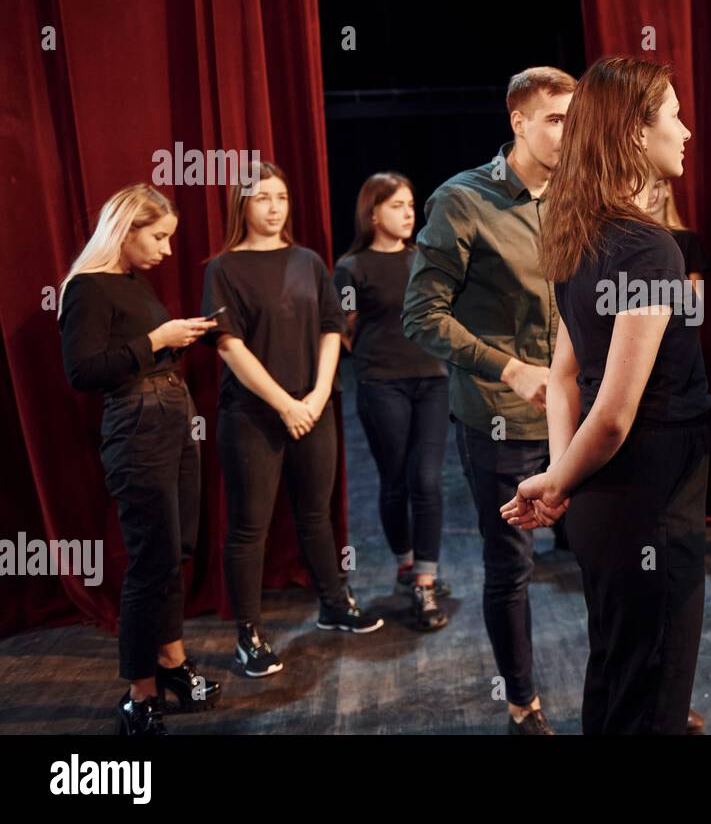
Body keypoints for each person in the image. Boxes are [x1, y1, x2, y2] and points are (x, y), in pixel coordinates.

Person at [502, 55, 711, 735]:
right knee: (650, 697)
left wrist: (564, 482)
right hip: (648, 505)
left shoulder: (577, 234)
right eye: (673, 115)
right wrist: (556, 478)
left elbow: (565, 379)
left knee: (618, 679)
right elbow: (616, 416)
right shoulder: (651, 250)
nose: (686, 131)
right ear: (632, 135)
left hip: (601, 505)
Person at [402, 66, 575, 734]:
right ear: (519, 122)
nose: (569, 132)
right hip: (505, 420)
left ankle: (640, 692)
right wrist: (509, 370)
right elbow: (422, 315)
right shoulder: (462, 201)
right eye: (556, 119)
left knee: (617, 557)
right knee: (511, 567)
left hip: (585, 416)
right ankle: (522, 703)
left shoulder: (582, 195)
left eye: (575, 119)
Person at [202, 162, 383, 680]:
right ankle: (249, 636)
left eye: (281, 196)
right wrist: (285, 402)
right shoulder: (223, 268)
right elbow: (228, 346)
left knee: (315, 514)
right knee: (249, 527)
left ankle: (333, 603)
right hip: (253, 415)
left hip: (315, 405)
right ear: (242, 206)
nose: (275, 206)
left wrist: (321, 393)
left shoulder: (308, 261)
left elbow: (332, 327)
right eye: (263, 198)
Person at [58, 183, 222, 735]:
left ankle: (172, 662)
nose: (166, 250)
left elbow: (137, 352)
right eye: (158, 237)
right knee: (151, 558)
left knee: (176, 549)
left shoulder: (132, 283)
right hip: (137, 423)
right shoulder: (86, 287)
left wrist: (176, 339)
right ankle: (140, 691)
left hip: (171, 412)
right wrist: (156, 339)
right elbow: (83, 372)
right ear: (125, 229)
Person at [335, 172, 452, 631]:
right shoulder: (352, 267)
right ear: (373, 213)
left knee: (427, 480)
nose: (408, 212)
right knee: (395, 482)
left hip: (433, 380)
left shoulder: (423, 259)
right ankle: (406, 563)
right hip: (382, 383)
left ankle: (426, 579)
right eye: (398, 205)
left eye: (410, 204)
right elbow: (340, 328)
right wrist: (370, 357)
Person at [647, 178, 708, 296]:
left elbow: (697, 295)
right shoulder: (631, 240)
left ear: (667, 190)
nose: (650, 194)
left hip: (679, 312)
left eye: (655, 187)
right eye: (645, 188)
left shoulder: (687, 239)